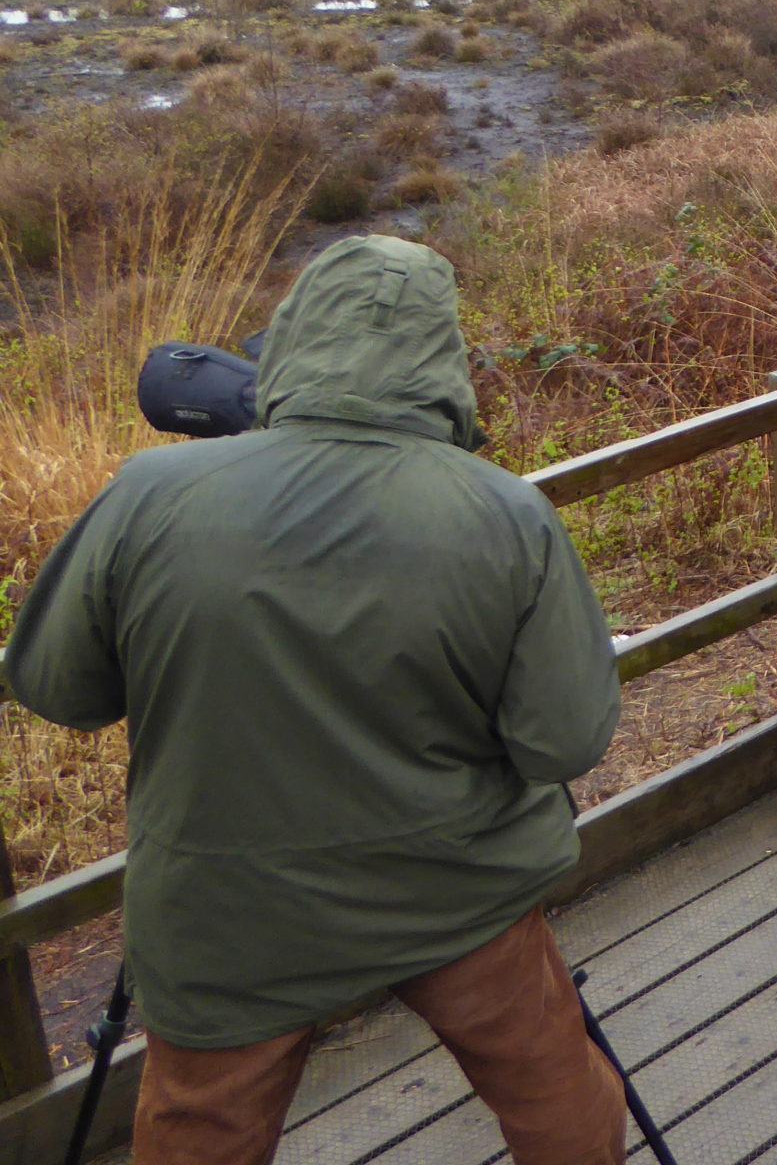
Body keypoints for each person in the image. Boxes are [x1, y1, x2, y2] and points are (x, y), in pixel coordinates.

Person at [8, 236, 626, 1165]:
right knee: (554, 1091)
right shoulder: (503, 512)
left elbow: (58, 688)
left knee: (200, 1132)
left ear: (288, 343)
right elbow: (563, 740)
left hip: (225, 907)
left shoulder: (149, 493)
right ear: (441, 358)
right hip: (456, 888)